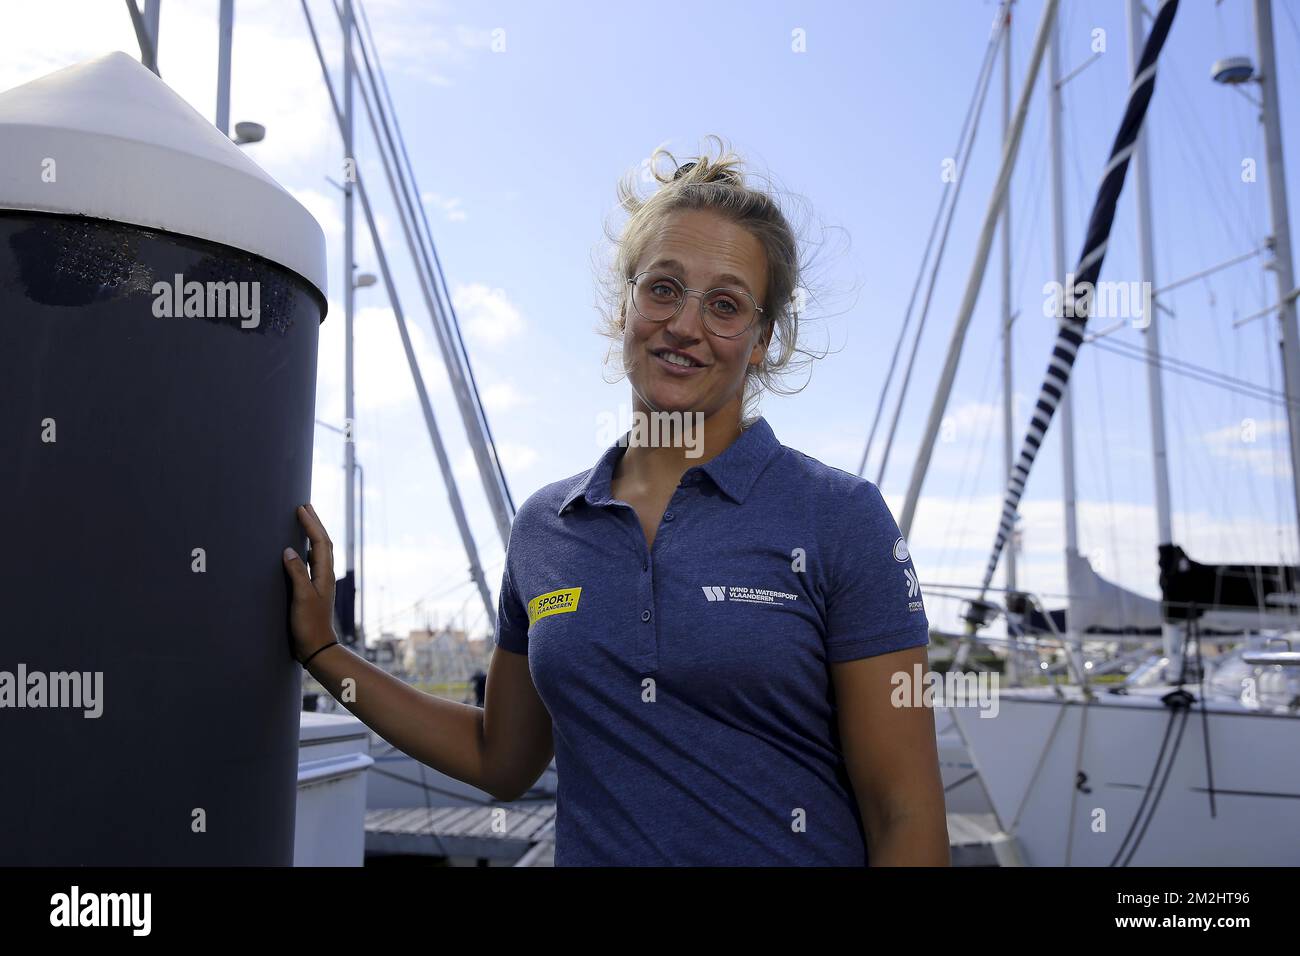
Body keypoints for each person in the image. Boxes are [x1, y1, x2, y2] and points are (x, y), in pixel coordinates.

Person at [284, 136, 949, 866]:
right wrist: (324, 652)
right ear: (626, 302)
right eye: (663, 288)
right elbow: (500, 757)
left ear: (761, 340)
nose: (686, 325)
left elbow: (905, 816)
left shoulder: (839, 517)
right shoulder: (547, 527)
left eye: (725, 305)